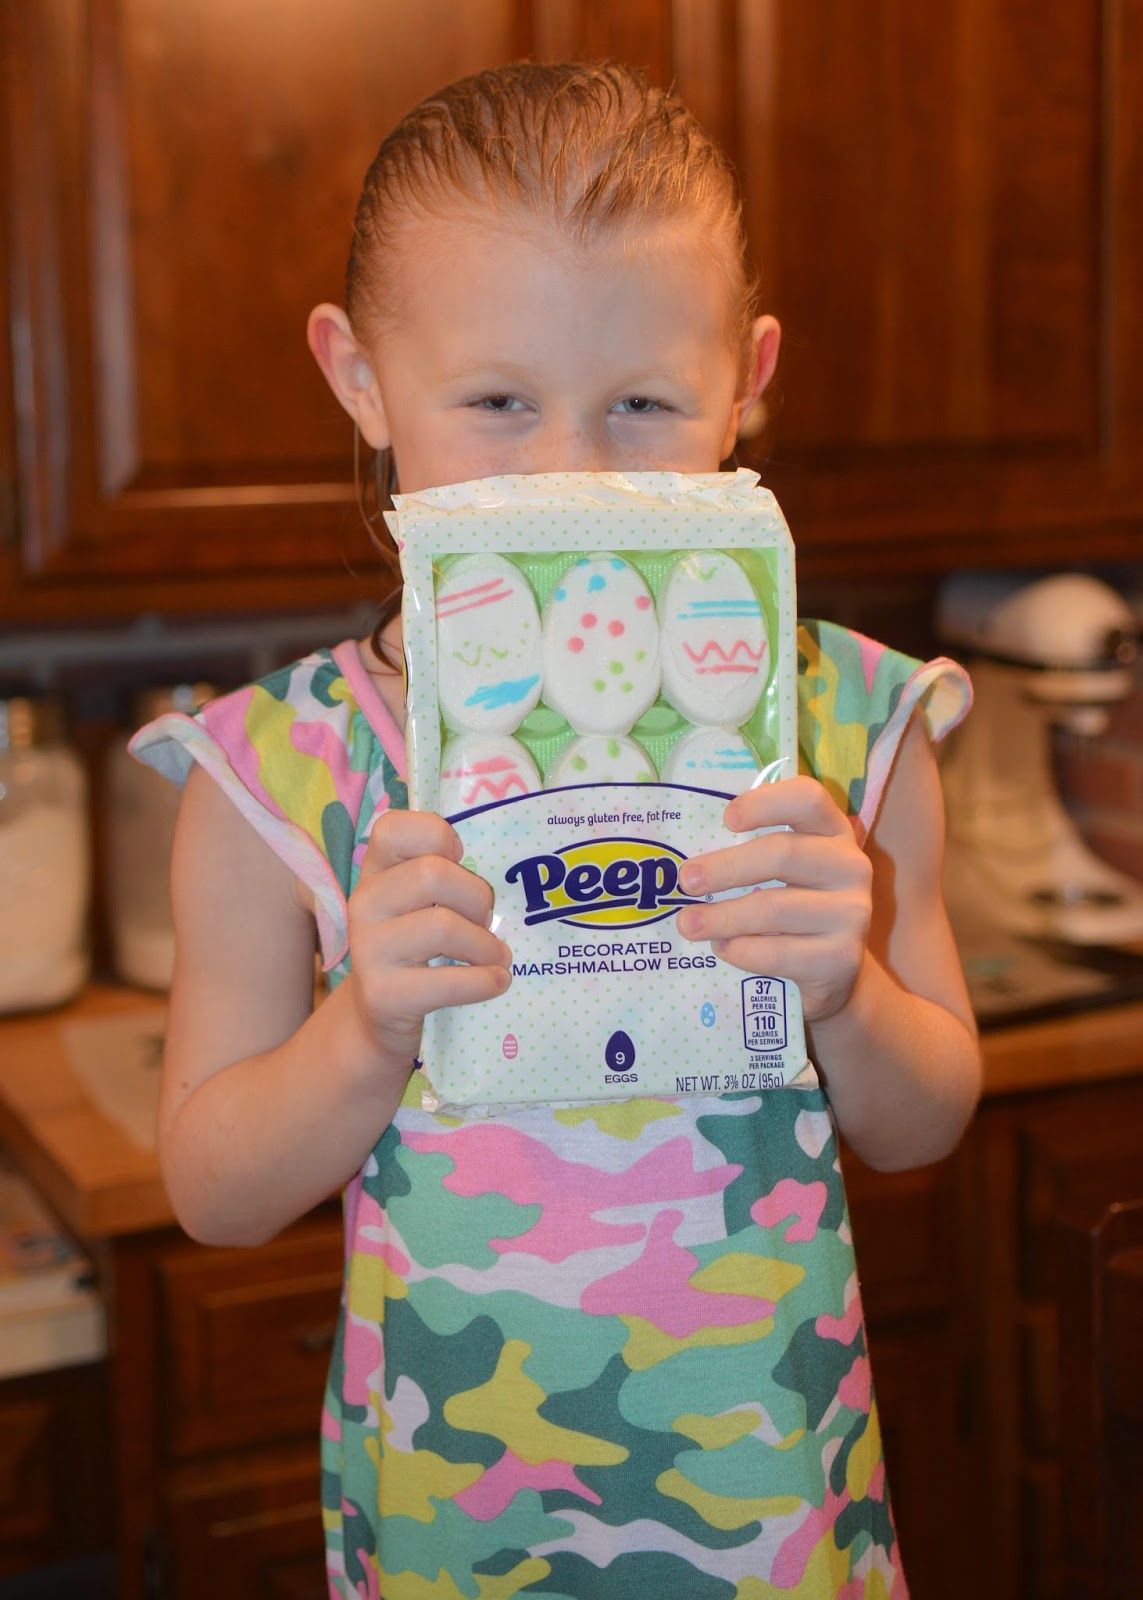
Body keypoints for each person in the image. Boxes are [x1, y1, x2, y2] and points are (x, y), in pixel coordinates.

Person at [134, 60, 981, 1599]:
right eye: (498, 401)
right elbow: (212, 1186)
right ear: (360, 378)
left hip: (781, 1524)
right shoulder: (277, 774)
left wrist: (850, 984)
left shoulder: (852, 723)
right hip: (454, 1537)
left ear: (748, 377)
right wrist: (360, 1035)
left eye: (647, 402)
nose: (574, 471)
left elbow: (926, 1121)